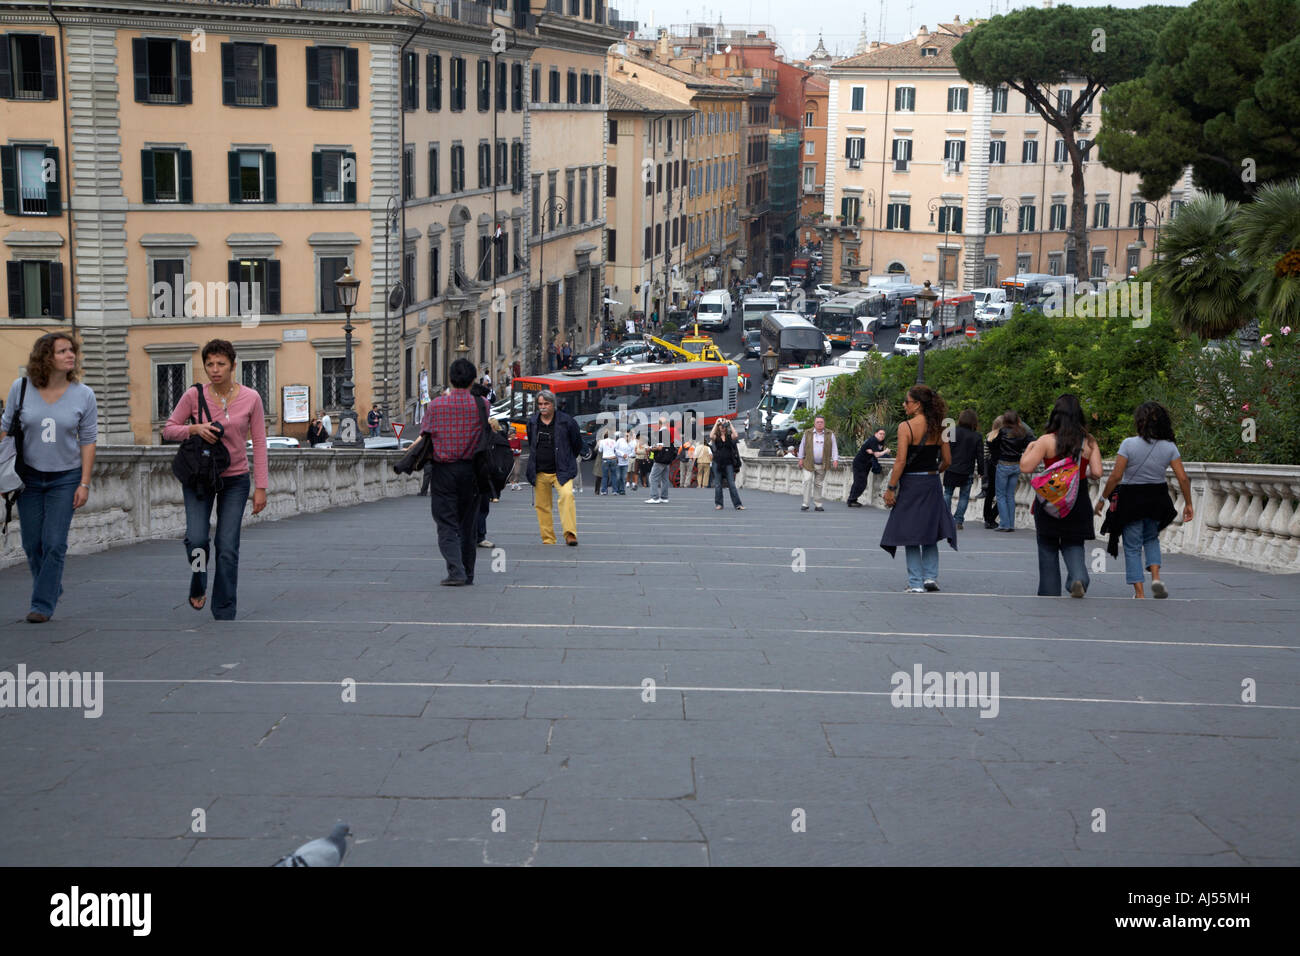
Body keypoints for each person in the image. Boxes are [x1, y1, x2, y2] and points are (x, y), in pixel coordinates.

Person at [163, 339, 268, 618]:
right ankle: (198, 581)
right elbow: (169, 430)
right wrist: (194, 429)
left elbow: (259, 441)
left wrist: (261, 487)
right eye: (209, 364)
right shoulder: (194, 396)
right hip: (199, 478)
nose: (215, 369)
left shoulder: (251, 398)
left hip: (235, 479)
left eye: (221, 364)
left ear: (233, 366)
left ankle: (224, 607)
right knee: (197, 539)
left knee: (227, 546)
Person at [1, 332, 98, 623]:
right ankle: (51, 585)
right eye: (62, 351)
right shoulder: (21, 388)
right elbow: (5, 430)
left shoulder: (84, 394)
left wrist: (84, 482)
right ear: (46, 357)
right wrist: (3, 475)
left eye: (72, 351)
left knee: (55, 542)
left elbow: (89, 440)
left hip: (65, 478)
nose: (71, 355)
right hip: (28, 477)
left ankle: (42, 604)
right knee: (32, 544)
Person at [1095, 401, 1195, 599]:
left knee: (1132, 546)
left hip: (1132, 498)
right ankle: (1156, 578)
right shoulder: (1169, 447)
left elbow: (1116, 476)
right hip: (1157, 497)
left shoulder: (1128, 444)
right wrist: (1189, 503)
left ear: (1139, 421)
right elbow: (1182, 477)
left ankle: (1139, 593)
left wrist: (1102, 498)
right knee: (1151, 538)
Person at [1020, 394, 1104, 597]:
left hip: (1050, 500)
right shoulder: (1088, 442)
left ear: (1055, 415)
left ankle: (1049, 592)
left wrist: (1030, 448)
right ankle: (1078, 578)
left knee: (1047, 546)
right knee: (1074, 543)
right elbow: (1097, 472)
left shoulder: (1046, 441)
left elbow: (1026, 467)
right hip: (1077, 500)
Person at [880, 385, 956, 592]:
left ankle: (915, 583)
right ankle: (930, 577)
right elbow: (948, 460)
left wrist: (891, 488)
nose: (904, 405)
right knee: (930, 529)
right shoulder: (942, 426)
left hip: (912, 484)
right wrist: (933, 472)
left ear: (918, 404)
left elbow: (900, 461)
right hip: (931, 483)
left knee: (910, 532)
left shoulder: (906, 427)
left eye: (907, 401)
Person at [419, 358, 487, 584]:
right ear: (472, 380)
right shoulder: (482, 405)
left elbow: (426, 433)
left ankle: (455, 571)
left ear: (450, 379)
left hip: (443, 472)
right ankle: (468, 573)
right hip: (472, 471)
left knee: (446, 523)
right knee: (468, 525)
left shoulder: (436, 406)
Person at [526, 388, 583, 545]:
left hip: (562, 470)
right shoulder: (532, 422)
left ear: (553, 405)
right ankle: (548, 538)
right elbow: (531, 443)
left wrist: (567, 457)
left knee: (567, 496)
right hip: (539, 470)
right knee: (542, 506)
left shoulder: (566, 421)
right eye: (540, 404)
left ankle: (570, 534)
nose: (543, 407)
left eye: (546, 404)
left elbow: (577, 443)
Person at [991, 410, 1034, 531]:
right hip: (1016, 465)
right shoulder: (1022, 432)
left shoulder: (1002, 431)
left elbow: (994, 445)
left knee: (1000, 495)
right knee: (1010, 495)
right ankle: (1011, 524)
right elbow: (1031, 443)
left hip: (1004, 464)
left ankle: (1004, 524)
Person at [944, 409, 985, 531]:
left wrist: (942, 462)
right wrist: (981, 471)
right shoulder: (977, 436)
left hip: (951, 468)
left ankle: (946, 518)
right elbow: (980, 456)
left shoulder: (951, 432)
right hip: (967, 470)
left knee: (947, 493)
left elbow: (944, 450)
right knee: (964, 496)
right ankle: (958, 520)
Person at [797, 415, 839, 512]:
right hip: (808, 463)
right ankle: (805, 503)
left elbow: (834, 448)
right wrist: (800, 459)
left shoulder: (830, 434)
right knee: (807, 480)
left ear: (824, 423)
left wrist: (835, 459)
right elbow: (802, 446)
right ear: (814, 423)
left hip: (822, 463)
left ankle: (818, 504)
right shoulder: (807, 433)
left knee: (818, 484)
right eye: (818, 422)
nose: (820, 424)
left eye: (821, 422)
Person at [847, 427, 888, 507]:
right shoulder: (873, 440)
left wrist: (873, 452)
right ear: (875, 434)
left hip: (866, 464)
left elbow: (877, 453)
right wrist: (886, 451)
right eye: (880, 434)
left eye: (883, 434)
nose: (882, 435)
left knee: (859, 482)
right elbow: (877, 454)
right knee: (860, 482)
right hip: (859, 463)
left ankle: (852, 500)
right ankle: (851, 500)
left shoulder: (881, 442)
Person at [710, 419, 744, 510]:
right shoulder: (716, 437)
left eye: (723, 426)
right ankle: (719, 504)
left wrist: (730, 424)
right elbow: (711, 435)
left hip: (728, 463)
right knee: (718, 484)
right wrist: (716, 423)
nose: (722, 427)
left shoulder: (729, 436)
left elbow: (736, 435)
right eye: (721, 426)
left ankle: (738, 504)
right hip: (717, 462)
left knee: (732, 484)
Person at [646, 416, 676, 504]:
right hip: (667, 459)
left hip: (660, 459)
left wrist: (650, 448)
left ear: (659, 424)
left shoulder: (661, 433)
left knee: (652, 478)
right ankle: (664, 497)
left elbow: (660, 447)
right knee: (665, 479)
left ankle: (654, 497)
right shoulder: (668, 432)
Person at [982, 414, 1004, 530]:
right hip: (1000, 465)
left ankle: (986, 518)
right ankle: (992, 517)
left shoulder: (988, 436)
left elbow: (985, 455)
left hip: (991, 466)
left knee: (990, 493)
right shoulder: (1004, 437)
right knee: (1002, 493)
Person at [614, 429, 635, 495]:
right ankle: (616, 489)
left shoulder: (632, 442)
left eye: (628, 435)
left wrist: (628, 455)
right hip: (618, 461)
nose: (627, 436)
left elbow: (633, 452)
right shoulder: (620, 440)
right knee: (618, 477)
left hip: (626, 462)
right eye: (626, 434)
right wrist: (622, 454)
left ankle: (622, 490)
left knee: (623, 477)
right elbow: (615, 449)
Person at [598, 428, 618, 495]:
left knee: (605, 476)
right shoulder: (614, 441)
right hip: (613, 458)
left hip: (605, 459)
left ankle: (604, 491)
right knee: (614, 475)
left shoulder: (602, 441)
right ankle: (614, 490)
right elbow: (616, 450)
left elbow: (600, 450)